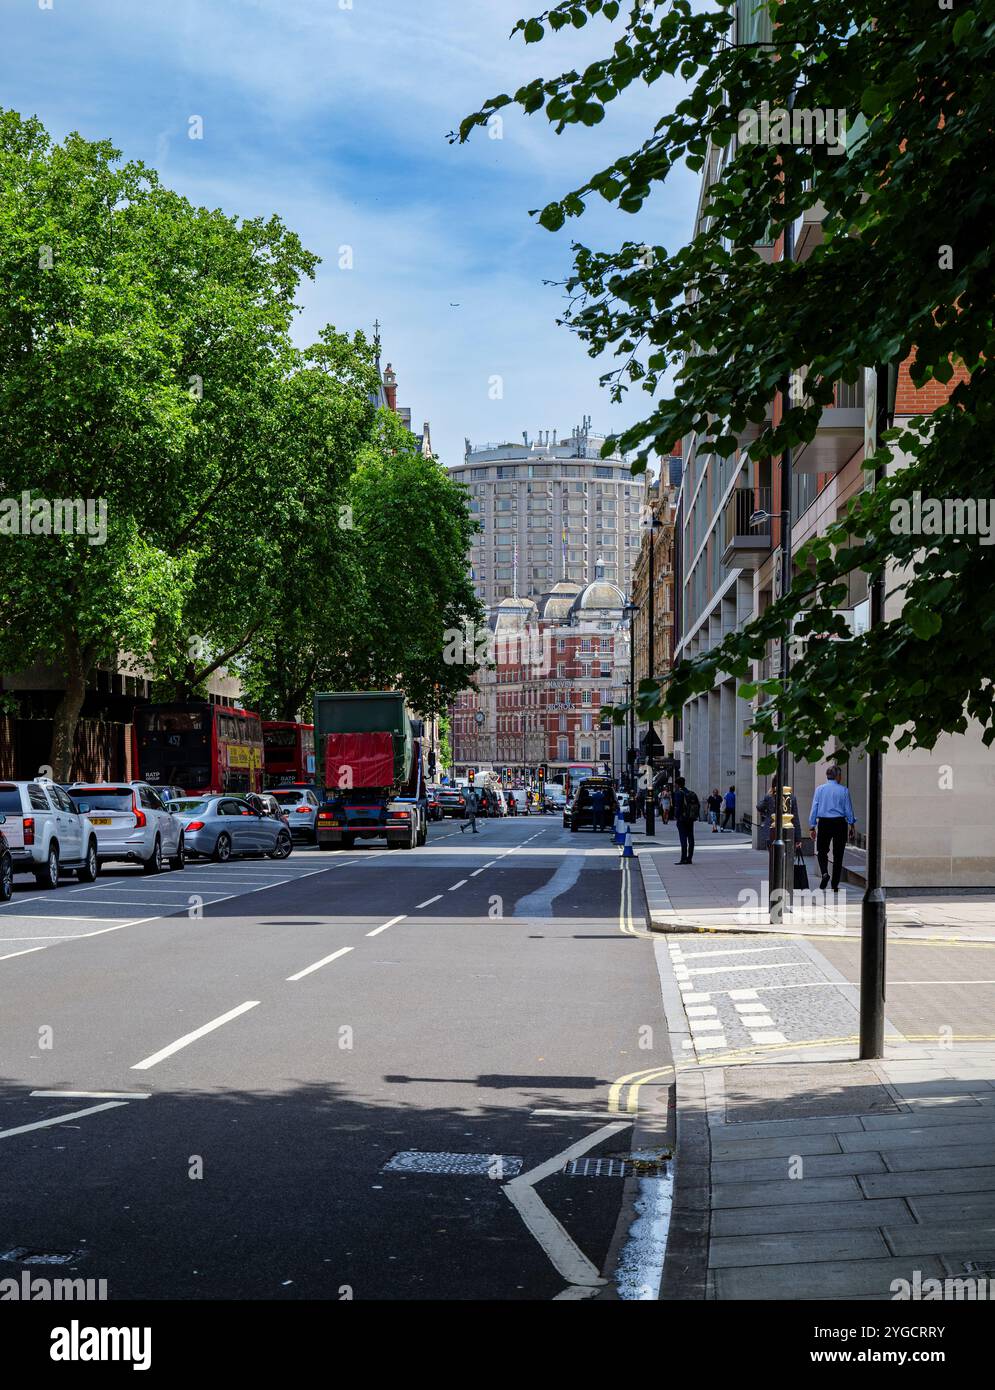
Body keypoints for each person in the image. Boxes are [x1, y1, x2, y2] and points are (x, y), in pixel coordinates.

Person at [809, 765, 856, 891]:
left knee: (821, 851)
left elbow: (814, 808)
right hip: (840, 823)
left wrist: (812, 826)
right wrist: (852, 825)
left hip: (824, 823)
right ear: (837, 776)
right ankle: (835, 884)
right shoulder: (844, 790)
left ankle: (824, 872)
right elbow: (848, 809)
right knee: (838, 854)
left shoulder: (820, 790)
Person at [673, 776, 700, 864]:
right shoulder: (691, 793)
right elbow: (698, 805)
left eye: (675, 784)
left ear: (677, 784)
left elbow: (678, 807)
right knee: (691, 837)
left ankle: (683, 858)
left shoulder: (678, 793)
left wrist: (677, 817)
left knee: (683, 838)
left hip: (682, 819)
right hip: (690, 819)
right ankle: (689, 858)